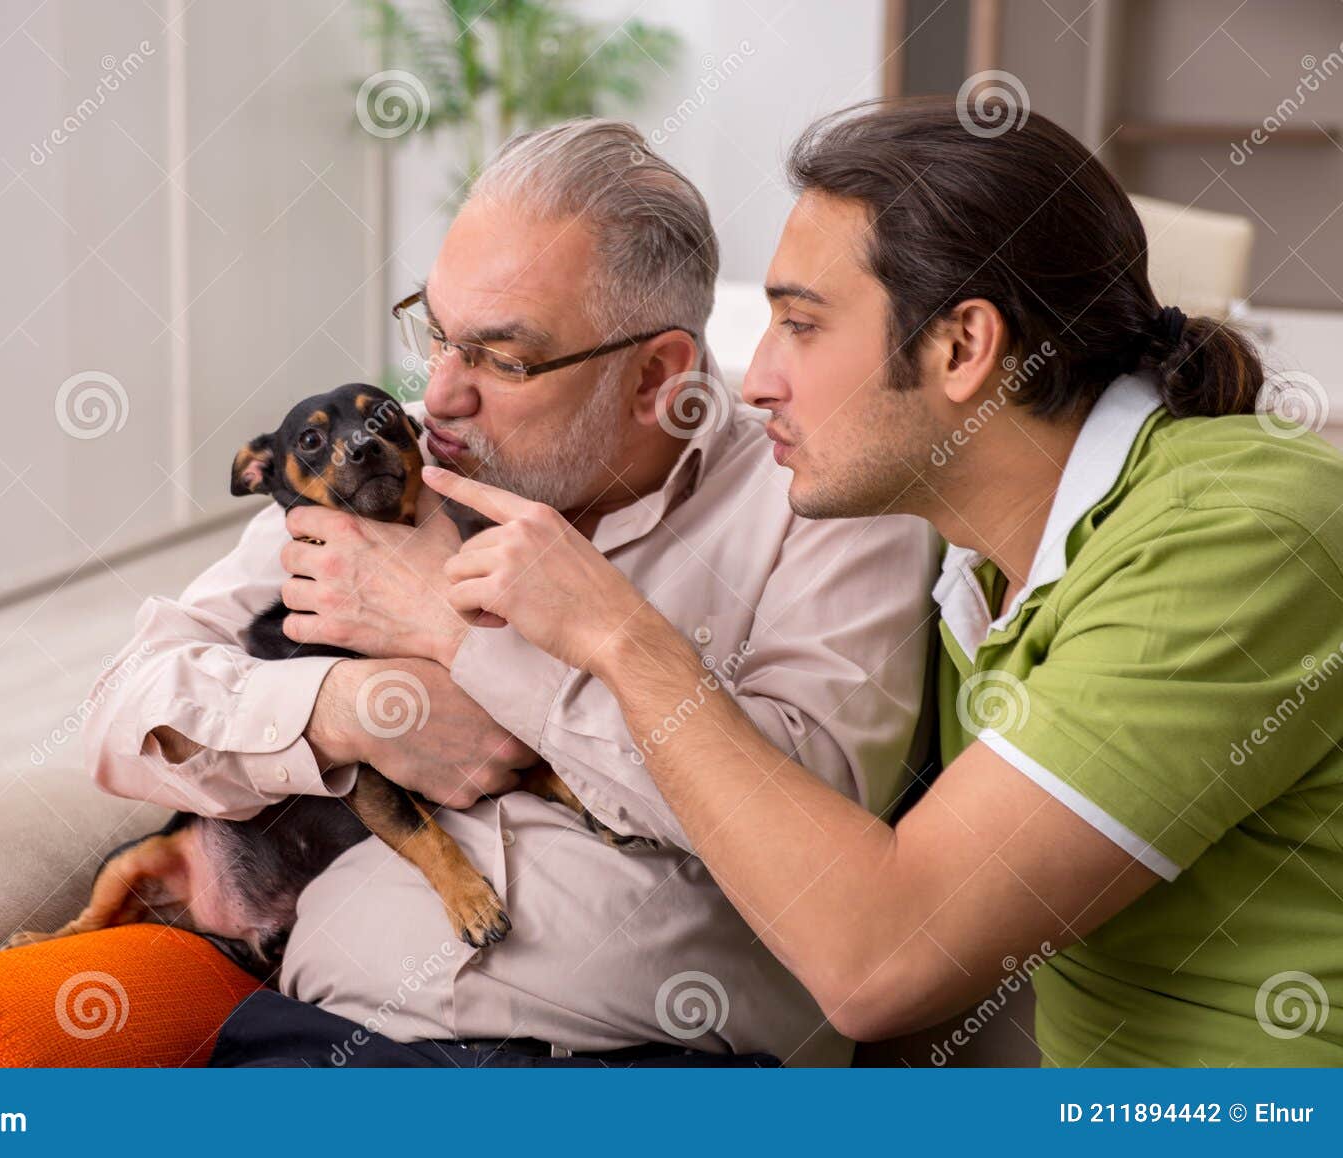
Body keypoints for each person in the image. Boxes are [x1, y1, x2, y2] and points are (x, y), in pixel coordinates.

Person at [0, 119, 937, 1068]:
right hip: (318, 1034)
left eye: (500, 357)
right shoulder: (391, 474)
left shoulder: (822, 502)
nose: (437, 393)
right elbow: (122, 710)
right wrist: (339, 715)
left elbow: (802, 842)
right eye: (433, 331)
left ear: (656, 377)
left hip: (637, 1058)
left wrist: (458, 640)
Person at [424, 99, 1343, 1067]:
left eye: (799, 325)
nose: (756, 379)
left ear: (961, 348)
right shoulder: (981, 569)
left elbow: (882, 957)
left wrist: (618, 634)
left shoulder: (1233, 535)